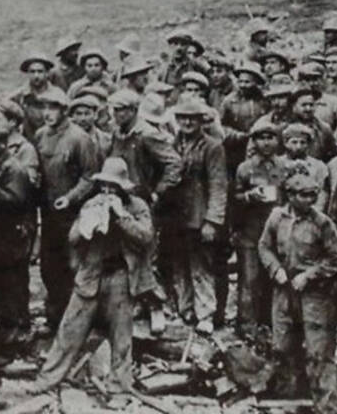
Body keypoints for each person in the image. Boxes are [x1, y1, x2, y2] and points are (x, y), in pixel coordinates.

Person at [31, 158, 155, 394]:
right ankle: (48, 379)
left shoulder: (137, 206)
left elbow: (146, 237)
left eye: (113, 186)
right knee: (69, 330)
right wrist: (90, 221)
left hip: (120, 276)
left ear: (122, 187)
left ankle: (119, 385)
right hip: (90, 274)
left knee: (121, 337)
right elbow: (73, 238)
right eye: (104, 186)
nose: (108, 191)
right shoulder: (92, 203)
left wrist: (120, 218)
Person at [258, 173, 337, 414]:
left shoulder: (322, 223)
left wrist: (309, 275)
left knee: (319, 350)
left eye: (313, 195)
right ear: (291, 196)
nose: (311, 200)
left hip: (315, 295)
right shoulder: (277, 217)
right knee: (283, 344)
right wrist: (275, 269)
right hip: (284, 291)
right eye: (304, 195)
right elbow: (264, 247)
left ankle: (327, 405)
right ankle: (289, 397)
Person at [34, 87, 100, 331]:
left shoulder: (79, 139)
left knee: (75, 266)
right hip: (49, 214)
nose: (47, 113)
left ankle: (81, 322)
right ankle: (55, 317)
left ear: (64, 111)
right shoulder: (41, 136)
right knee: (49, 268)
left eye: (53, 108)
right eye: (44, 108)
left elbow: (90, 176)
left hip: (73, 214)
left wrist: (71, 198)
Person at [0, 115, 37, 358]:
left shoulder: (14, 169)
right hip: (1, 238)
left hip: (12, 239)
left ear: (1, 143)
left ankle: (15, 341)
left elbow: (16, 202)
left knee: (11, 289)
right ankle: (9, 337)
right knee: (1, 289)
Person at [168, 97, 227, 334]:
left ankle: (206, 313)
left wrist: (212, 221)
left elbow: (218, 185)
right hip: (177, 216)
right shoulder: (173, 144)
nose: (187, 123)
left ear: (201, 121)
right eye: (182, 118)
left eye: (191, 118)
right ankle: (186, 308)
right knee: (179, 263)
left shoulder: (212, 147)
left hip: (199, 215)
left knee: (201, 266)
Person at [232, 117, 290, 336]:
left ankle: (273, 325)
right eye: (261, 138)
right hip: (251, 232)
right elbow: (235, 199)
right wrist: (249, 196)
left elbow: (290, 195)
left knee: (275, 278)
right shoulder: (245, 168)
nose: (266, 143)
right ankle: (247, 328)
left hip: (278, 233)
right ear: (254, 142)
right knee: (249, 279)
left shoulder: (285, 166)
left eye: (270, 138)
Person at [11, 51, 56, 141]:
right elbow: (3, 104)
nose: (36, 75)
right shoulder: (20, 94)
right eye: (32, 72)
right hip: (28, 140)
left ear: (47, 73)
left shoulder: (57, 95)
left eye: (40, 71)